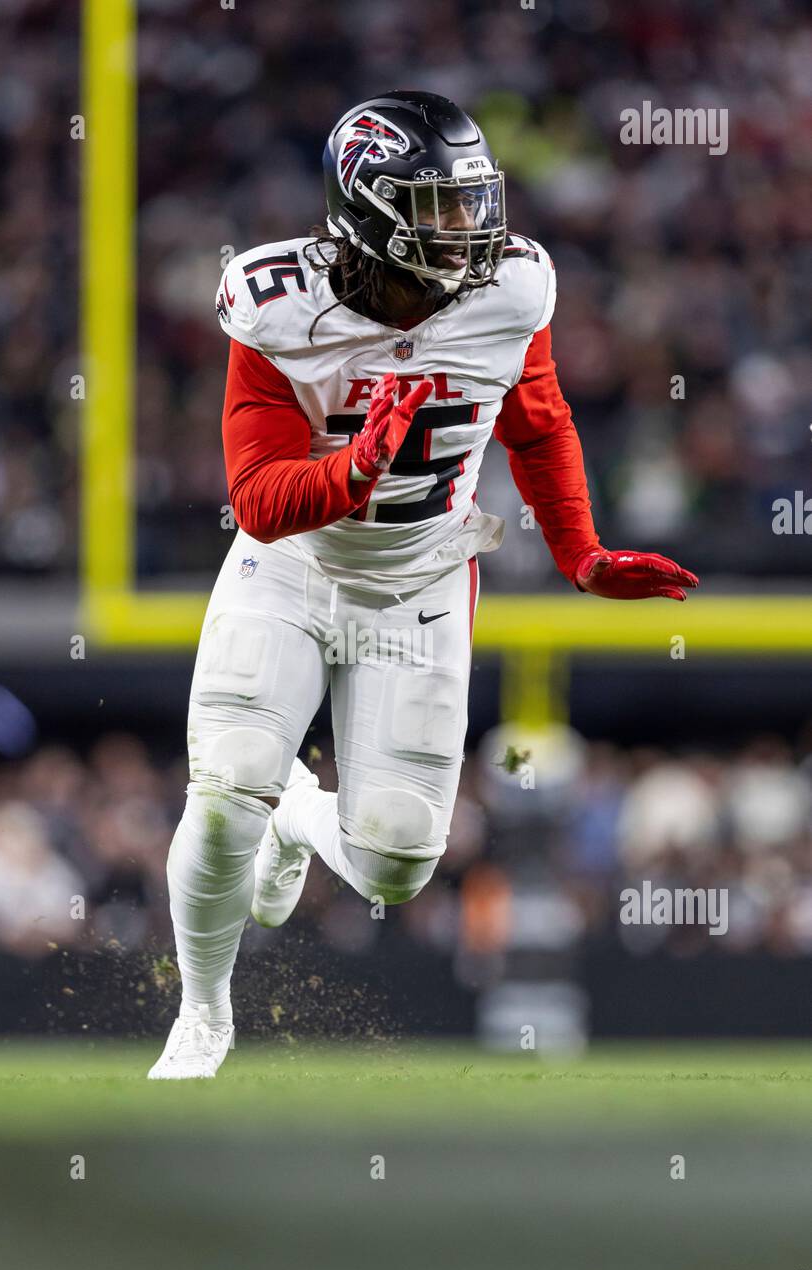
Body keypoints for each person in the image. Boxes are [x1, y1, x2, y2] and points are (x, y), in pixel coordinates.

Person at [149, 91, 697, 1079]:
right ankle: (203, 1014)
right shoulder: (275, 302)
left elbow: (536, 420)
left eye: (474, 201)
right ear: (367, 210)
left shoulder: (513, 288)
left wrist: (580, 552)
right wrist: (353, 469)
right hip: (291, 570)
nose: (472, 229)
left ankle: (301, 815)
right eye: (439, 207)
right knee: (226, 781)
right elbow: (263, 501)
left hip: (420, 583)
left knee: (396, 862)